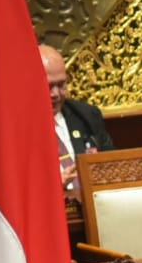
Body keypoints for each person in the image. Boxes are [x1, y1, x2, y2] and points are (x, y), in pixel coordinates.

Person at [39, 44, 114, 197]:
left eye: (61, 85)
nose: (56, 94)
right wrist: (51, 186)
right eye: (49, 86)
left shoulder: (86, 115)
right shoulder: (14, 129)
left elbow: (113, 165)